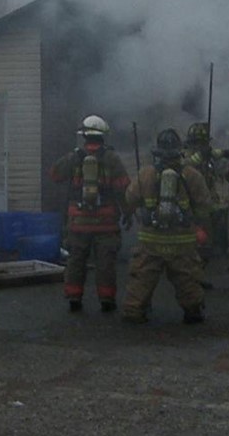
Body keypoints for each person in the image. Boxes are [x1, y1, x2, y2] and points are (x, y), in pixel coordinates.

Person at [121, 128, 212, 325]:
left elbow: (129, 198)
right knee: (187, 278)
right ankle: (193, 311)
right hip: (182, 241)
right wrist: (198, 224)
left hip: (151, 240)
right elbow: (205, 205)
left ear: (157, 151)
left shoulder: (146, 173)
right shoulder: (192, 175)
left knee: (142, 277)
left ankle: (133, 311)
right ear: (179, 151)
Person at [48, 115, 131, 313]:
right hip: (106, 223)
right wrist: (128, 211)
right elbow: (123, 187)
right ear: (103, 137)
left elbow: (54, 175)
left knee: (76, 261)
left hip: (79, 221)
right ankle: (107, 300)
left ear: (84, 136)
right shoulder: (112, 158)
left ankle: (74, 298)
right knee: (105, 264)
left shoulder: (75, 157)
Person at [183, 121, 229, 286]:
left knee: (206, 245)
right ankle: (190, 278)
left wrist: (224, 153)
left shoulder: (207, 154)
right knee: (194, 245)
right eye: (199, 143)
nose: (202, 146)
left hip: (205, 205)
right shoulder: (185, 156)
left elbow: (214, 153)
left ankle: (197, 276)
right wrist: (201, 155)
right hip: (191, 207)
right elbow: (187, 165)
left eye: (204, 143)